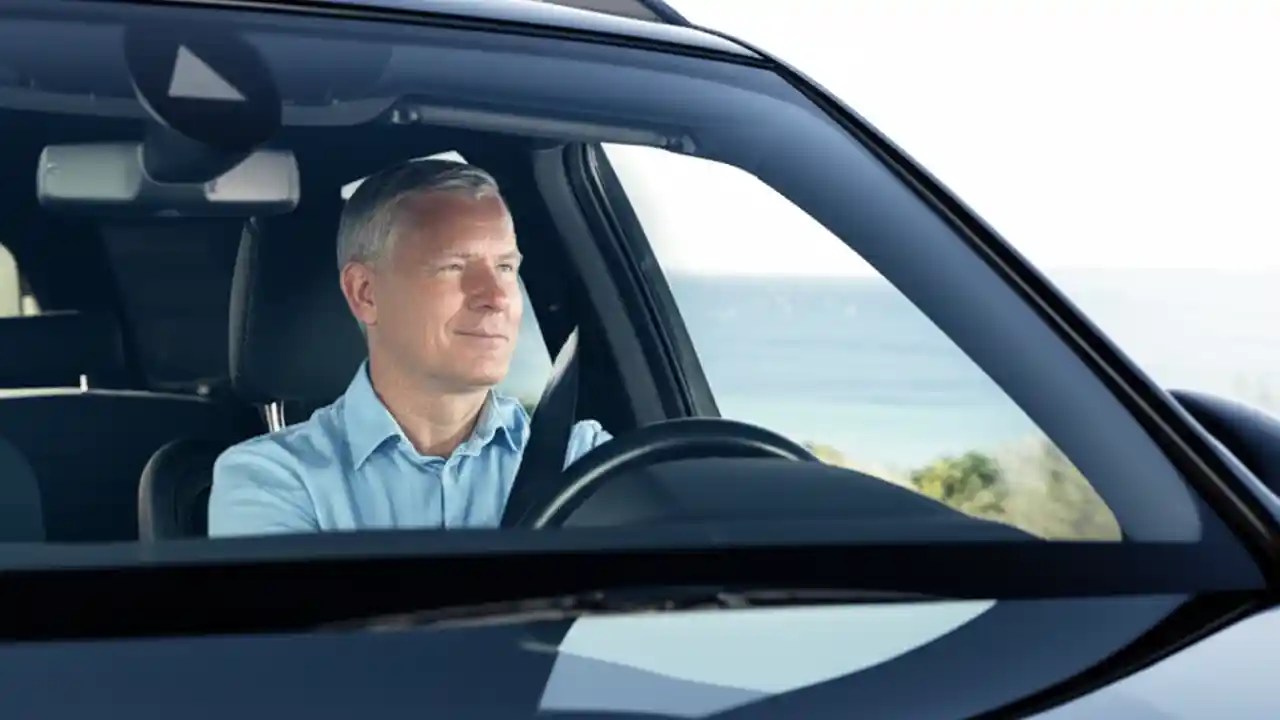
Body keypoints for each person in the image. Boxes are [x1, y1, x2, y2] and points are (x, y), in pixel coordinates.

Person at [207, 159, 611, 536]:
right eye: (453, 266)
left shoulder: (581, 457)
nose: (496, 296)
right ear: (365, 293)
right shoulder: (272, 478)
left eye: (505, 267)